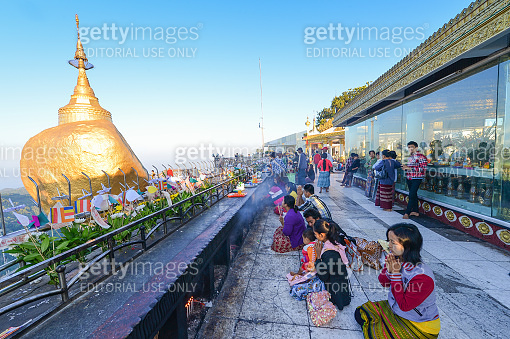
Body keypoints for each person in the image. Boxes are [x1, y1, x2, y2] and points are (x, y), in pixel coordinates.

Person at [355, 223, 441, 338]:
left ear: (408, 246)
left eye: (393, 242)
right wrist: (389, 270)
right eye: (388, 241)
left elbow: (404, 305)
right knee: (361, 313)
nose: (388, 246)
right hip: (396, 309)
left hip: (419, 324)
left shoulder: (423, 277)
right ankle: (386, 326)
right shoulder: (397, 259)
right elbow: (383, 282)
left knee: (374, 335)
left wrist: (395, 274)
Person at [313, 219, 351, 310]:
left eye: (315, 234)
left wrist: (318, 257)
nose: (314, 236)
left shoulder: (329, 253)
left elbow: (324, 276)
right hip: (341, 286)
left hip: (335, 291)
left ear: (321, 235)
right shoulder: (333, 242)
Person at [401, 141, 428, 219]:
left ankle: (407, 212)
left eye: (412, 147)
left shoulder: (421, 157)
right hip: (409, 178)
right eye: (409, 147)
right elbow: (409, 168)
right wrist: (405, 168)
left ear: (416, 147)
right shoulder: (409, 157)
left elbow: (423, 168)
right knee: (413, 194)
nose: (410, 149)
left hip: (417, 178)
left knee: (411, 194)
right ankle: (416, 211)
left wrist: (409, 168)